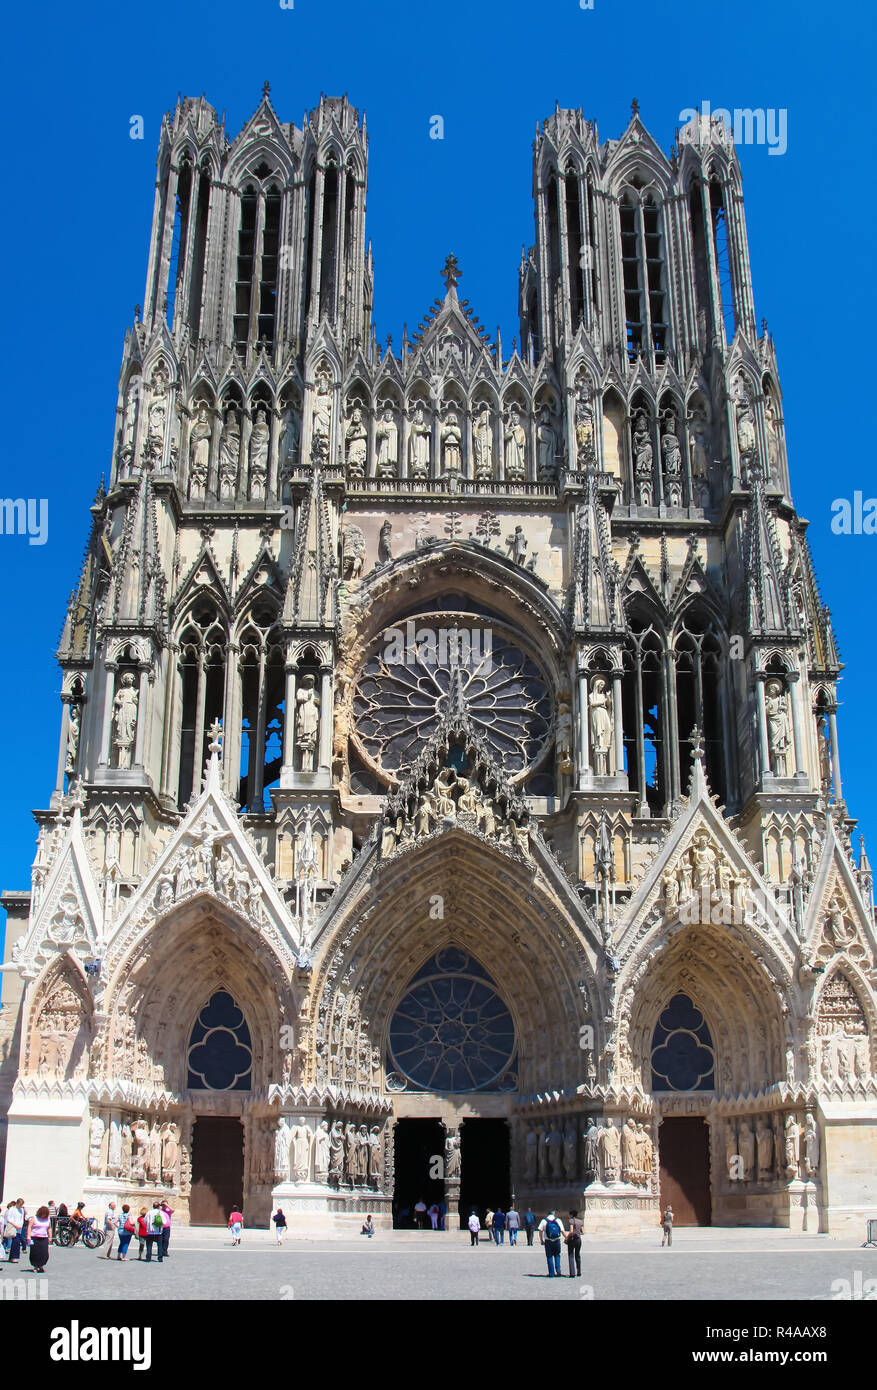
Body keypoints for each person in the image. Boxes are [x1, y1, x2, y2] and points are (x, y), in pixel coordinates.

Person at [538, 1210, 567, 1278]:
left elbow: (540, 1230)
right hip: (557, 1240)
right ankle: (558, 1271)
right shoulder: (558, 1220)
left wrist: (541, 1240)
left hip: (548, 1241)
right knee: (557, 1255)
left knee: (549, 1256)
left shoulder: (544, 1221)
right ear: (554, 1214)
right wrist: (567, 1238)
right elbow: (562, 1230)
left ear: (547, 1214)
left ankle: (551, 1273)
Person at [26, 1206, 50, 1275]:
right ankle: (35, 1266)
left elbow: (49, 1228)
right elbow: (29, 1227)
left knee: (44, 1253)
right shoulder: (34, 1218)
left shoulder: (48, 1219)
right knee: (35, 1253)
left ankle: (41, 1265)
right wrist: (28, 1236)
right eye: (43, 1214)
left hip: (44, 1237)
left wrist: (50, 1237)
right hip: (35, 1237)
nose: (44, 1216)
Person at [566, 1210, 584, 1278]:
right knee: (577, 1255)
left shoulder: (571, 1221)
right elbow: (583, 1232)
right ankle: (579, 1272)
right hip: (579, 1240)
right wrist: (578, 1233)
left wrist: (567, 1238)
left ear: (571, 1215)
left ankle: (572, 1273)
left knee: (571, 1255)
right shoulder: (580, 1221)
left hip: (572, 1239)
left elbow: (571, 1231)